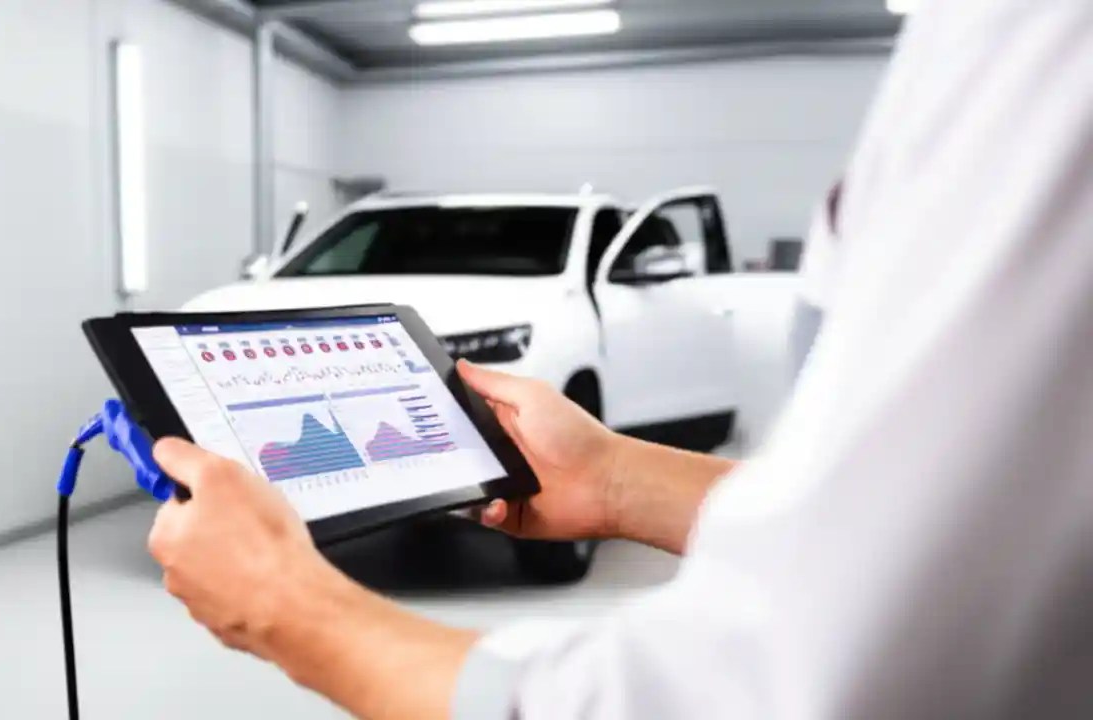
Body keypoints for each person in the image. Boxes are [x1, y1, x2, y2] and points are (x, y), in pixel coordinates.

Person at [146, 1, 1093, 717]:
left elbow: (798, 680)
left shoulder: (1041, 44)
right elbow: (904, 522)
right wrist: (612, 477)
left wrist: (290, 608)